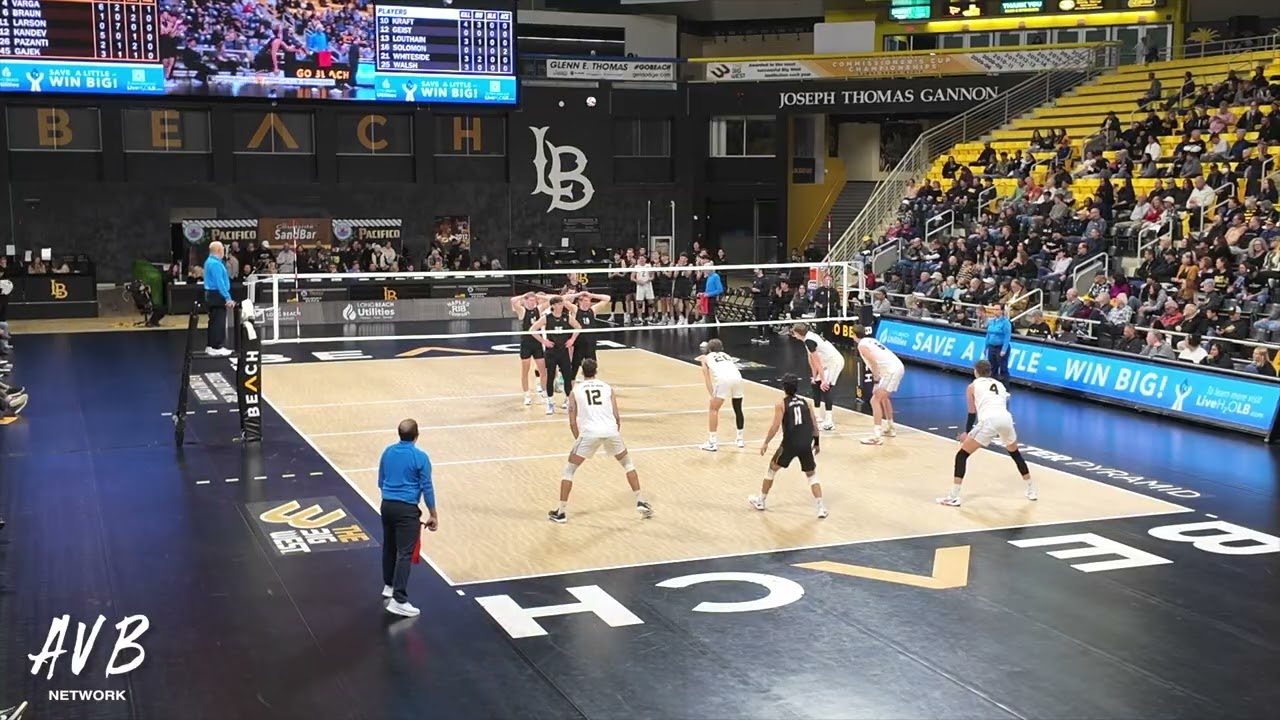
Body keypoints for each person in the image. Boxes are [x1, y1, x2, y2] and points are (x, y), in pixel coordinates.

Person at [549, 358, 653, 523]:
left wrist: (580, 440)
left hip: (589, 433)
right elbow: (617, 417)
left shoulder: (575, 391)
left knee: (569, 471)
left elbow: (571, 420)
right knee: (627, 464)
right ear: (596, 371)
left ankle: (561, 512)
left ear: (582, 372)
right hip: (611, 431)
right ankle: (640, 501)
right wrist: (612, 435)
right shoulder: (607, 388)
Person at [937, 360, 1037, 507]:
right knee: (1015, 454)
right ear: (989, 372)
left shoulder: (972, 386)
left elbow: (972, 412)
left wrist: (967, 432)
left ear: (976, 371)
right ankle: (1031, 490)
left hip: (989, 420)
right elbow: (1003, 403)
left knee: (962, 455)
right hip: (1006, 418)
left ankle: (954, 497)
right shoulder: (1001, 385)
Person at [377, 419, 437, 618]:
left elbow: (381, 480)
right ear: (417, 435)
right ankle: (399, 600)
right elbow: (427, 488)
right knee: (404, 554)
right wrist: (433, 514)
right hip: (406, 510)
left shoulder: (387, 452)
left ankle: (389, 586)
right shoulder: (420, 457)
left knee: (389, 546)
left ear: (399, 434)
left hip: (387, 505)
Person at [753, 374, 826, 518]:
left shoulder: (781, 404)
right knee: (811, 475)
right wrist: (816, 442)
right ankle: (821, 508)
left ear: (783, 387)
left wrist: (766, 442)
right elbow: (814, 425)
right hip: (806, 443)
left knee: (771, 469)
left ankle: (761, 501)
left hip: (790, 444)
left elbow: (775, 426)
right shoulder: (807, 402)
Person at [852, 325, 905, 445]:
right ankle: (891, 428)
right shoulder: (872, 340)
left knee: (874, 400)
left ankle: (876, 436)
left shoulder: (862, 346)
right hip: (896, 367)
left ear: (854, 335)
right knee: (884, 398)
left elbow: (874, 363)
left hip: (890, 371)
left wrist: (876, 382)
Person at [790, 322, 845, 431]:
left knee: (825, 388)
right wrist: (814, 376)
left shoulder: (809, 341)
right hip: (826, 363)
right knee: (815, 385)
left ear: (798, 333)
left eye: (794, 333)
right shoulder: (807, 339)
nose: (793, 335)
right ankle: (817, 416)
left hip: (834, 362)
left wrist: (823, 379)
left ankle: (829, 421)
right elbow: (811, 359)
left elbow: (818, 362)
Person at [530, 297, 581, 415]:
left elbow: (578, 327)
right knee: (550, 377)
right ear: (553, 305)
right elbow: (532, 329)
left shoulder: (567, 317)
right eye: (558, 304)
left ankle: (568, 400)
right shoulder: (546, 318)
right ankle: (550, 402)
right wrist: (544, 341)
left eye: (562, 303)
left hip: (563, 351)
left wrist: (572, 339)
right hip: (551, 352)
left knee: (567, 377)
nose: (561, 305)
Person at [697, 339, 745, 451]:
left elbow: (706, 377)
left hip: (724, 380)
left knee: (713, 409)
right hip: (738, 378)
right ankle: (740, 439)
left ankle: (712, 442)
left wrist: (712, 394)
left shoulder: (705, 358)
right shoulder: (727, 356)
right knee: (738, 408)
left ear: (708, 349)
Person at [511, 292, 549, 406]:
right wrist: (523, 296)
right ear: (526, 301)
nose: (533, 302)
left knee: (543, 371)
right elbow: (513, 300)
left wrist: (539, 297)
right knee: (525, 371)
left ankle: (544, 393)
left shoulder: (539, 309)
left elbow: (550, 300)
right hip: (526, 344)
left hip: (537, 344)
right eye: (530, 300)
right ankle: (527, 395)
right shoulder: (522, 311)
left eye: (534, 300)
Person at [568, 291, 611, 382]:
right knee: (574, 368)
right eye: (584, 300)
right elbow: (562, 299)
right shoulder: (575, 309)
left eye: (588, 301)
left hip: (590, 344)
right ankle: (569, 391)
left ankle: (590, 384)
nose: (587, 303)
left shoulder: (592, 310)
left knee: (592, 368)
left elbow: (607, 298)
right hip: (579, 344)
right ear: (580, 301)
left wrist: (592, 295)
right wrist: (577, 295)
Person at [203, 241, 235, 357]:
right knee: (218, 321)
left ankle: (211, 346)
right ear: (218, 250)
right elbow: (219, 282)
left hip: (212, 294)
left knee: (213, 321)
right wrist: (228, 298)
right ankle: (217, 346)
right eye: (222, 249)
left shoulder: (209, 261)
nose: (224, 251)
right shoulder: (215, 264)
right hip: (216, 295)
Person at [984, 303, 1013, 379]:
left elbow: (1007, 336)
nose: (995, 311)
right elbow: (988, 335)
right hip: (992, 347)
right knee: (992, 367)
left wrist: (1004, 349)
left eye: (997, 309)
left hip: (1000, 347)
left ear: (1002, 311)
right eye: (994, 309)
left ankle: (1005, 387)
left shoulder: (1006, 322)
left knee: (1003, 368)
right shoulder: (991, 321)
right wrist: (986, 347)